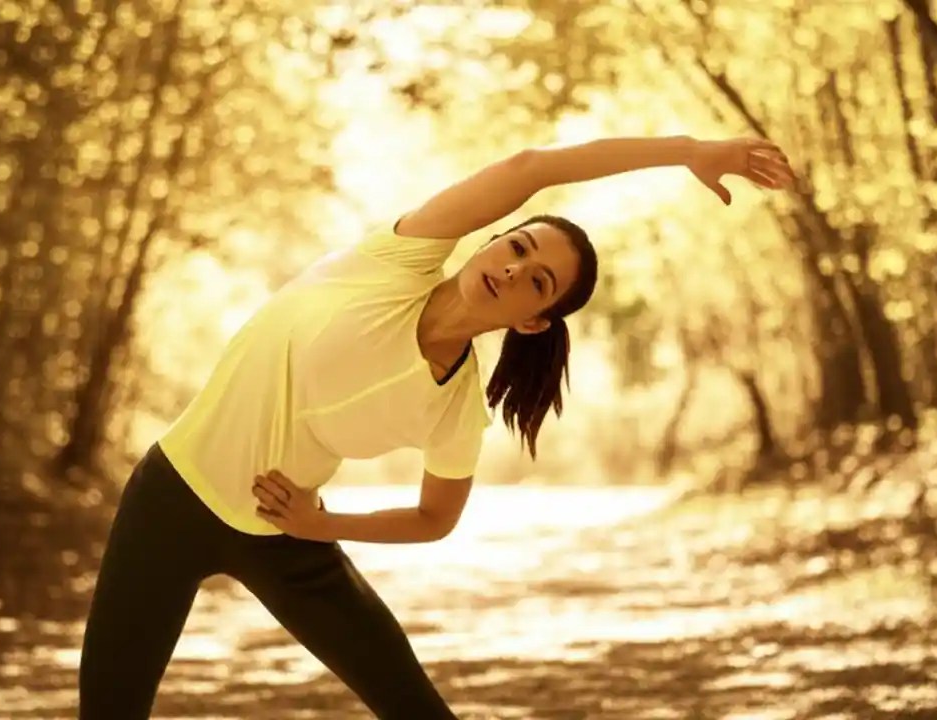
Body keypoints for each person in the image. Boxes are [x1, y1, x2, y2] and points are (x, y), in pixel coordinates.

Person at [77, 134, 795, 719]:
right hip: (169, 504)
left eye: (537, 282)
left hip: (283, 535)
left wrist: (323, 526)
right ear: (492, 241)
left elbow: (434, 518)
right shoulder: (395, 260)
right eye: (517, 248)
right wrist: (688, 151)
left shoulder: (457, 403)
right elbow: (531, 168)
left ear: (531, 320)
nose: (513, 271)